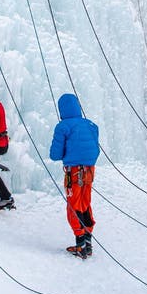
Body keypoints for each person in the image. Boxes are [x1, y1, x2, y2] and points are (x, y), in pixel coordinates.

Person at [49, 93, 100, 258]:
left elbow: (55, 155)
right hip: (90, 170)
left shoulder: (63, 126)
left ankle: (80, 244)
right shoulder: (91, 125)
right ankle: (88, 241)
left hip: (74, 172)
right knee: (85, 203)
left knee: (74, 204)